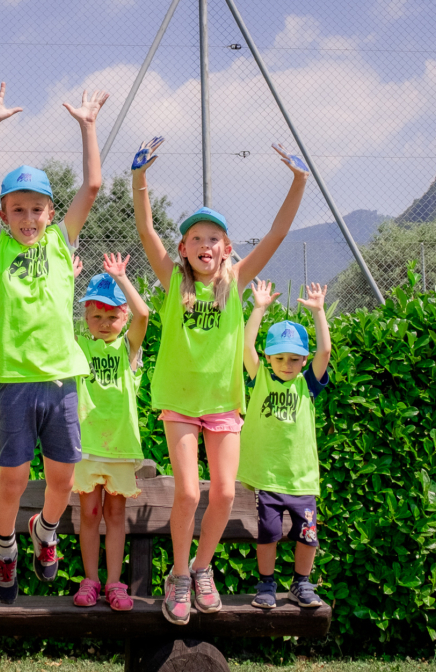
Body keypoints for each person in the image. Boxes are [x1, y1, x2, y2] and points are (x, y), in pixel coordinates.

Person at [132, 138, 310, 625]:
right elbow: (146, 229)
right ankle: (180, 578)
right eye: (196, 239)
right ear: (184, 249)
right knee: (189, 492)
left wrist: (299, 181)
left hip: (223, 406)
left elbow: (275, 235)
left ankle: (201, 570)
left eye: (214, 239)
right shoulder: (173, 283)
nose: (205, 245)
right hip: (181, 404)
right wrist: (140, 176)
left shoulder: (236, 285)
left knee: (227, 494)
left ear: (226, 249)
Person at [0, 80, 109, 603]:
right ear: (5, 214)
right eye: (19, 209)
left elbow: (92, 186)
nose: (29, 218)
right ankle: (5, 549)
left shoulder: (60, 240)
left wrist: (88, 126)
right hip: (16, 383)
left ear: (51, 213)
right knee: (11, 480)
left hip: (61, 378)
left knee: (62, 482)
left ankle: (45, 534)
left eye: (37, 208)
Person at [237, 280, 331, 610]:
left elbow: (325, 352)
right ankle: (266, 585)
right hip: (268, 478)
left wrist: (319, 312)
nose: (286, 364)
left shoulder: (308, 385)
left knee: (308, 536)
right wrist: (259, 308)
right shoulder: (260, 376)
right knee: (269, 534)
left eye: (294, 358)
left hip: (301, 480)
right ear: (268, 357)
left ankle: (301, 584)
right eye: (280, 357)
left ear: (304, 361)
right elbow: (245, 347)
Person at [71, 254, 149, 612]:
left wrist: (120, 278)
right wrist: (68, 281)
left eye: (113, 315)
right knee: (89, 515)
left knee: (115, 516)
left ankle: (115, 584)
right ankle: (90, 581)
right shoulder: (79, 347)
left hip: (119, 448)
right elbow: (56, 321)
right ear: (85, 317)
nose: (104, 323)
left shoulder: (128, 350)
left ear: (124, 318)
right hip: (85, 447)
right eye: (96, 316)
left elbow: (144, 314)